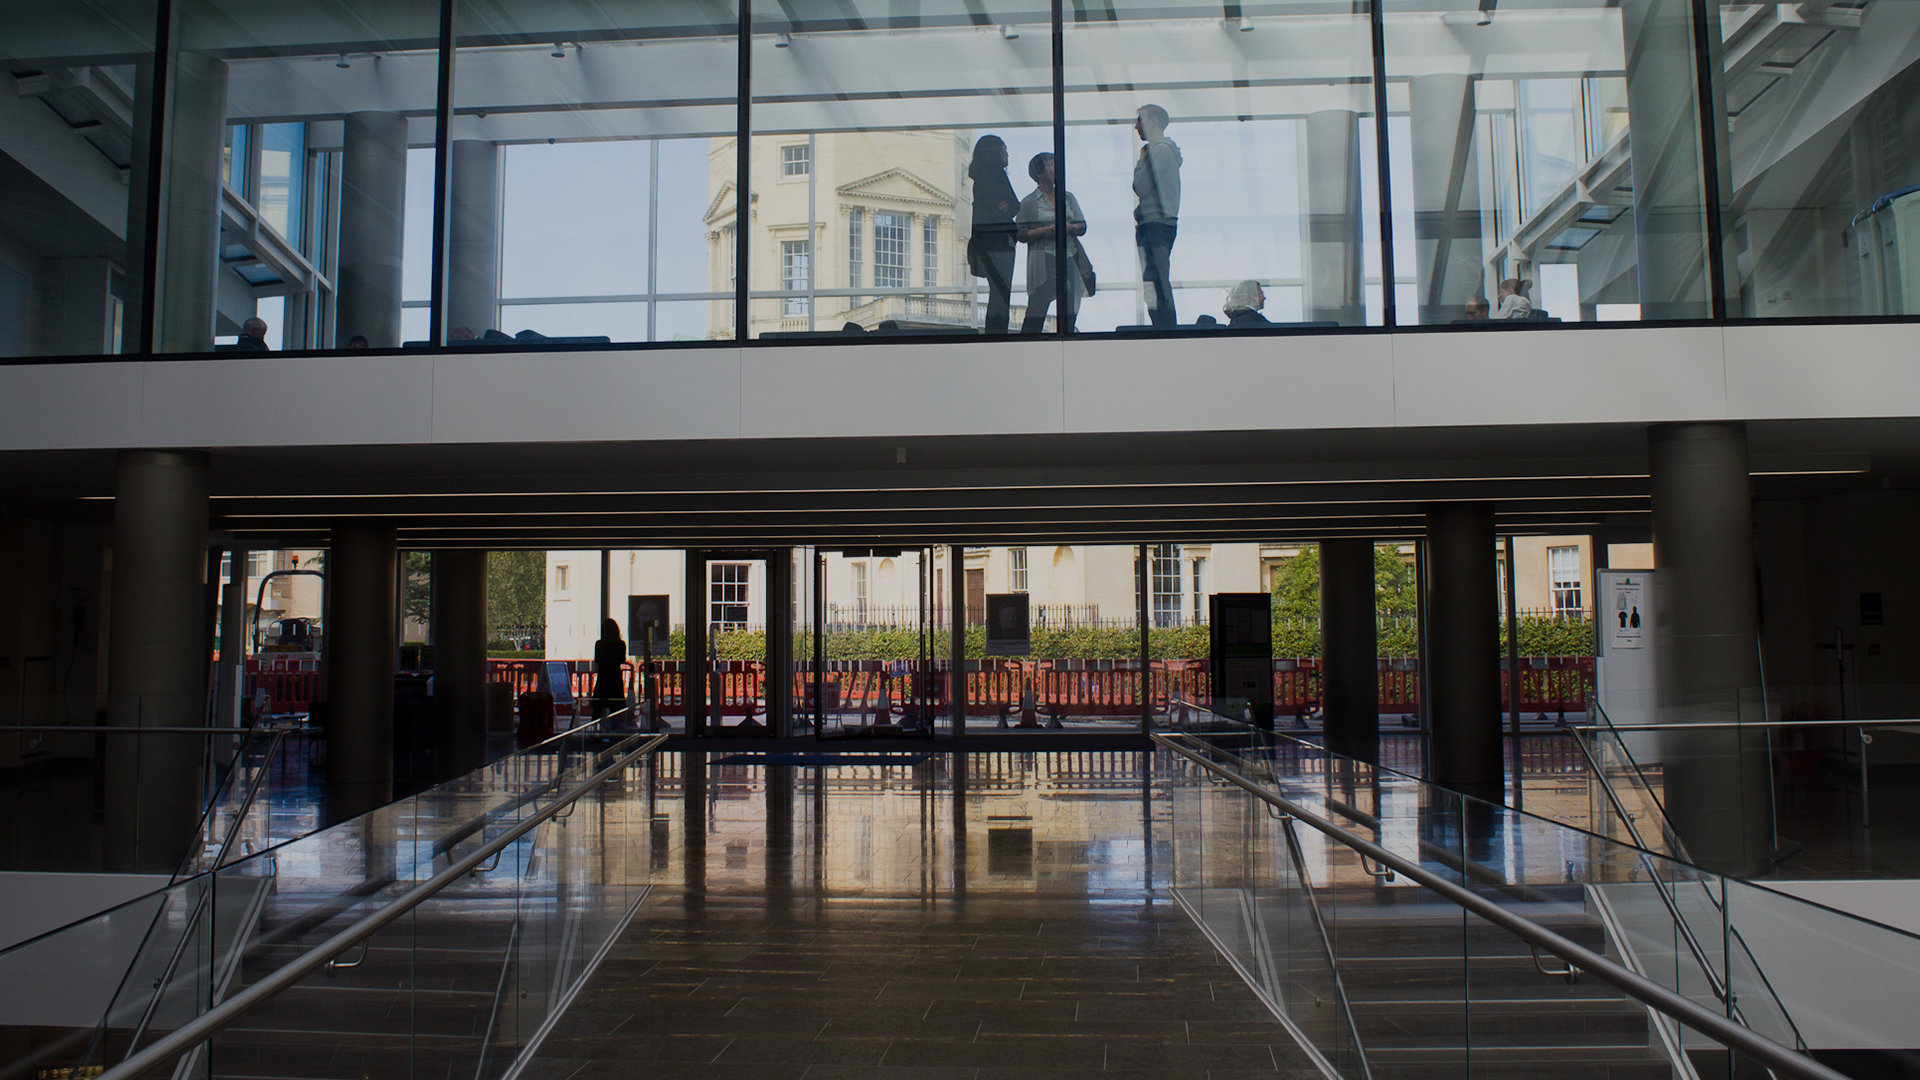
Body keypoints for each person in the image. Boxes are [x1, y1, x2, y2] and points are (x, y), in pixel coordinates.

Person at [1015, 152, 1088, 334]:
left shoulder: (1068, 197)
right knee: (1037, 308)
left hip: (1069, 256)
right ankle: (1029, 346)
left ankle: (1068, 338)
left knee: (1070, 307)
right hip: (1044, 259)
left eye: (1056, 164)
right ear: (1039, 172)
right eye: (1050, 165)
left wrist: (1069, 228)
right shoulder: (1029, 202)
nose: (1055, 168)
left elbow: (1083, 226)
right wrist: (1043, 231)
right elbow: (1020, 234)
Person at [1133, 104, 1183, 328]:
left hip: (1154, 223)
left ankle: (1164, 330)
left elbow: (1140, 186)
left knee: (1156, 282)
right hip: (1159, 223)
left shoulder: (1158, 151)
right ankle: (1163, 328)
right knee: (1155, 280)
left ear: (1152, 121)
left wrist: (1140, 161)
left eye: (1140, 120)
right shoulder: (1164, 151)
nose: (1136, 126)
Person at [967, 135, 1020, 335]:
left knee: (996, 292)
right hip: (1000, 243)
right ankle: (998, 334)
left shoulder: (979, 179)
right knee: (1001, 294)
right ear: (995, 152)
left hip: (985, 244)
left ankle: (995, 333)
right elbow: (1014, 205)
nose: (1007, 155)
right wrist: (1009, 207)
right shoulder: (997, 174)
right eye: (1004, 150)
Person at [591, 617, 627, 723]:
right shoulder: (620, 644)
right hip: (615, 677)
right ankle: (614, 733)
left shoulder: (600, 644)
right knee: (615, 708)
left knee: (598, 708)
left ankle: (594, 732)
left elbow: (597, 659)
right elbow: (621, 659)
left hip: (603, 677)